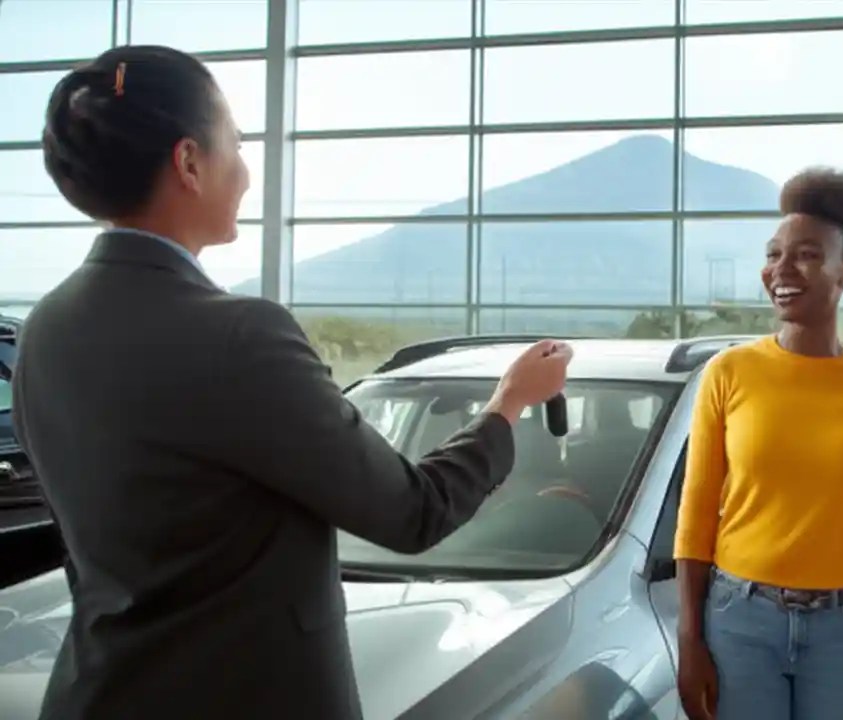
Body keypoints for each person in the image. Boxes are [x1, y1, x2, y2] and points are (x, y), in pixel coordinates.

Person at [12, 45, 572, 720]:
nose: (246, 174)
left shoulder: (44, 331)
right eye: (236, 146)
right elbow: (411, 512)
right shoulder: (239, 336)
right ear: (189, 162)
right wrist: (506, 404)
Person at [673, 168, 843, 720]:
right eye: (773, 254)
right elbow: (696, 516)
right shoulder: (730, 372)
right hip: (740, 618)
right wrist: (690, 640)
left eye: (807, 255)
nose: (781, 270)